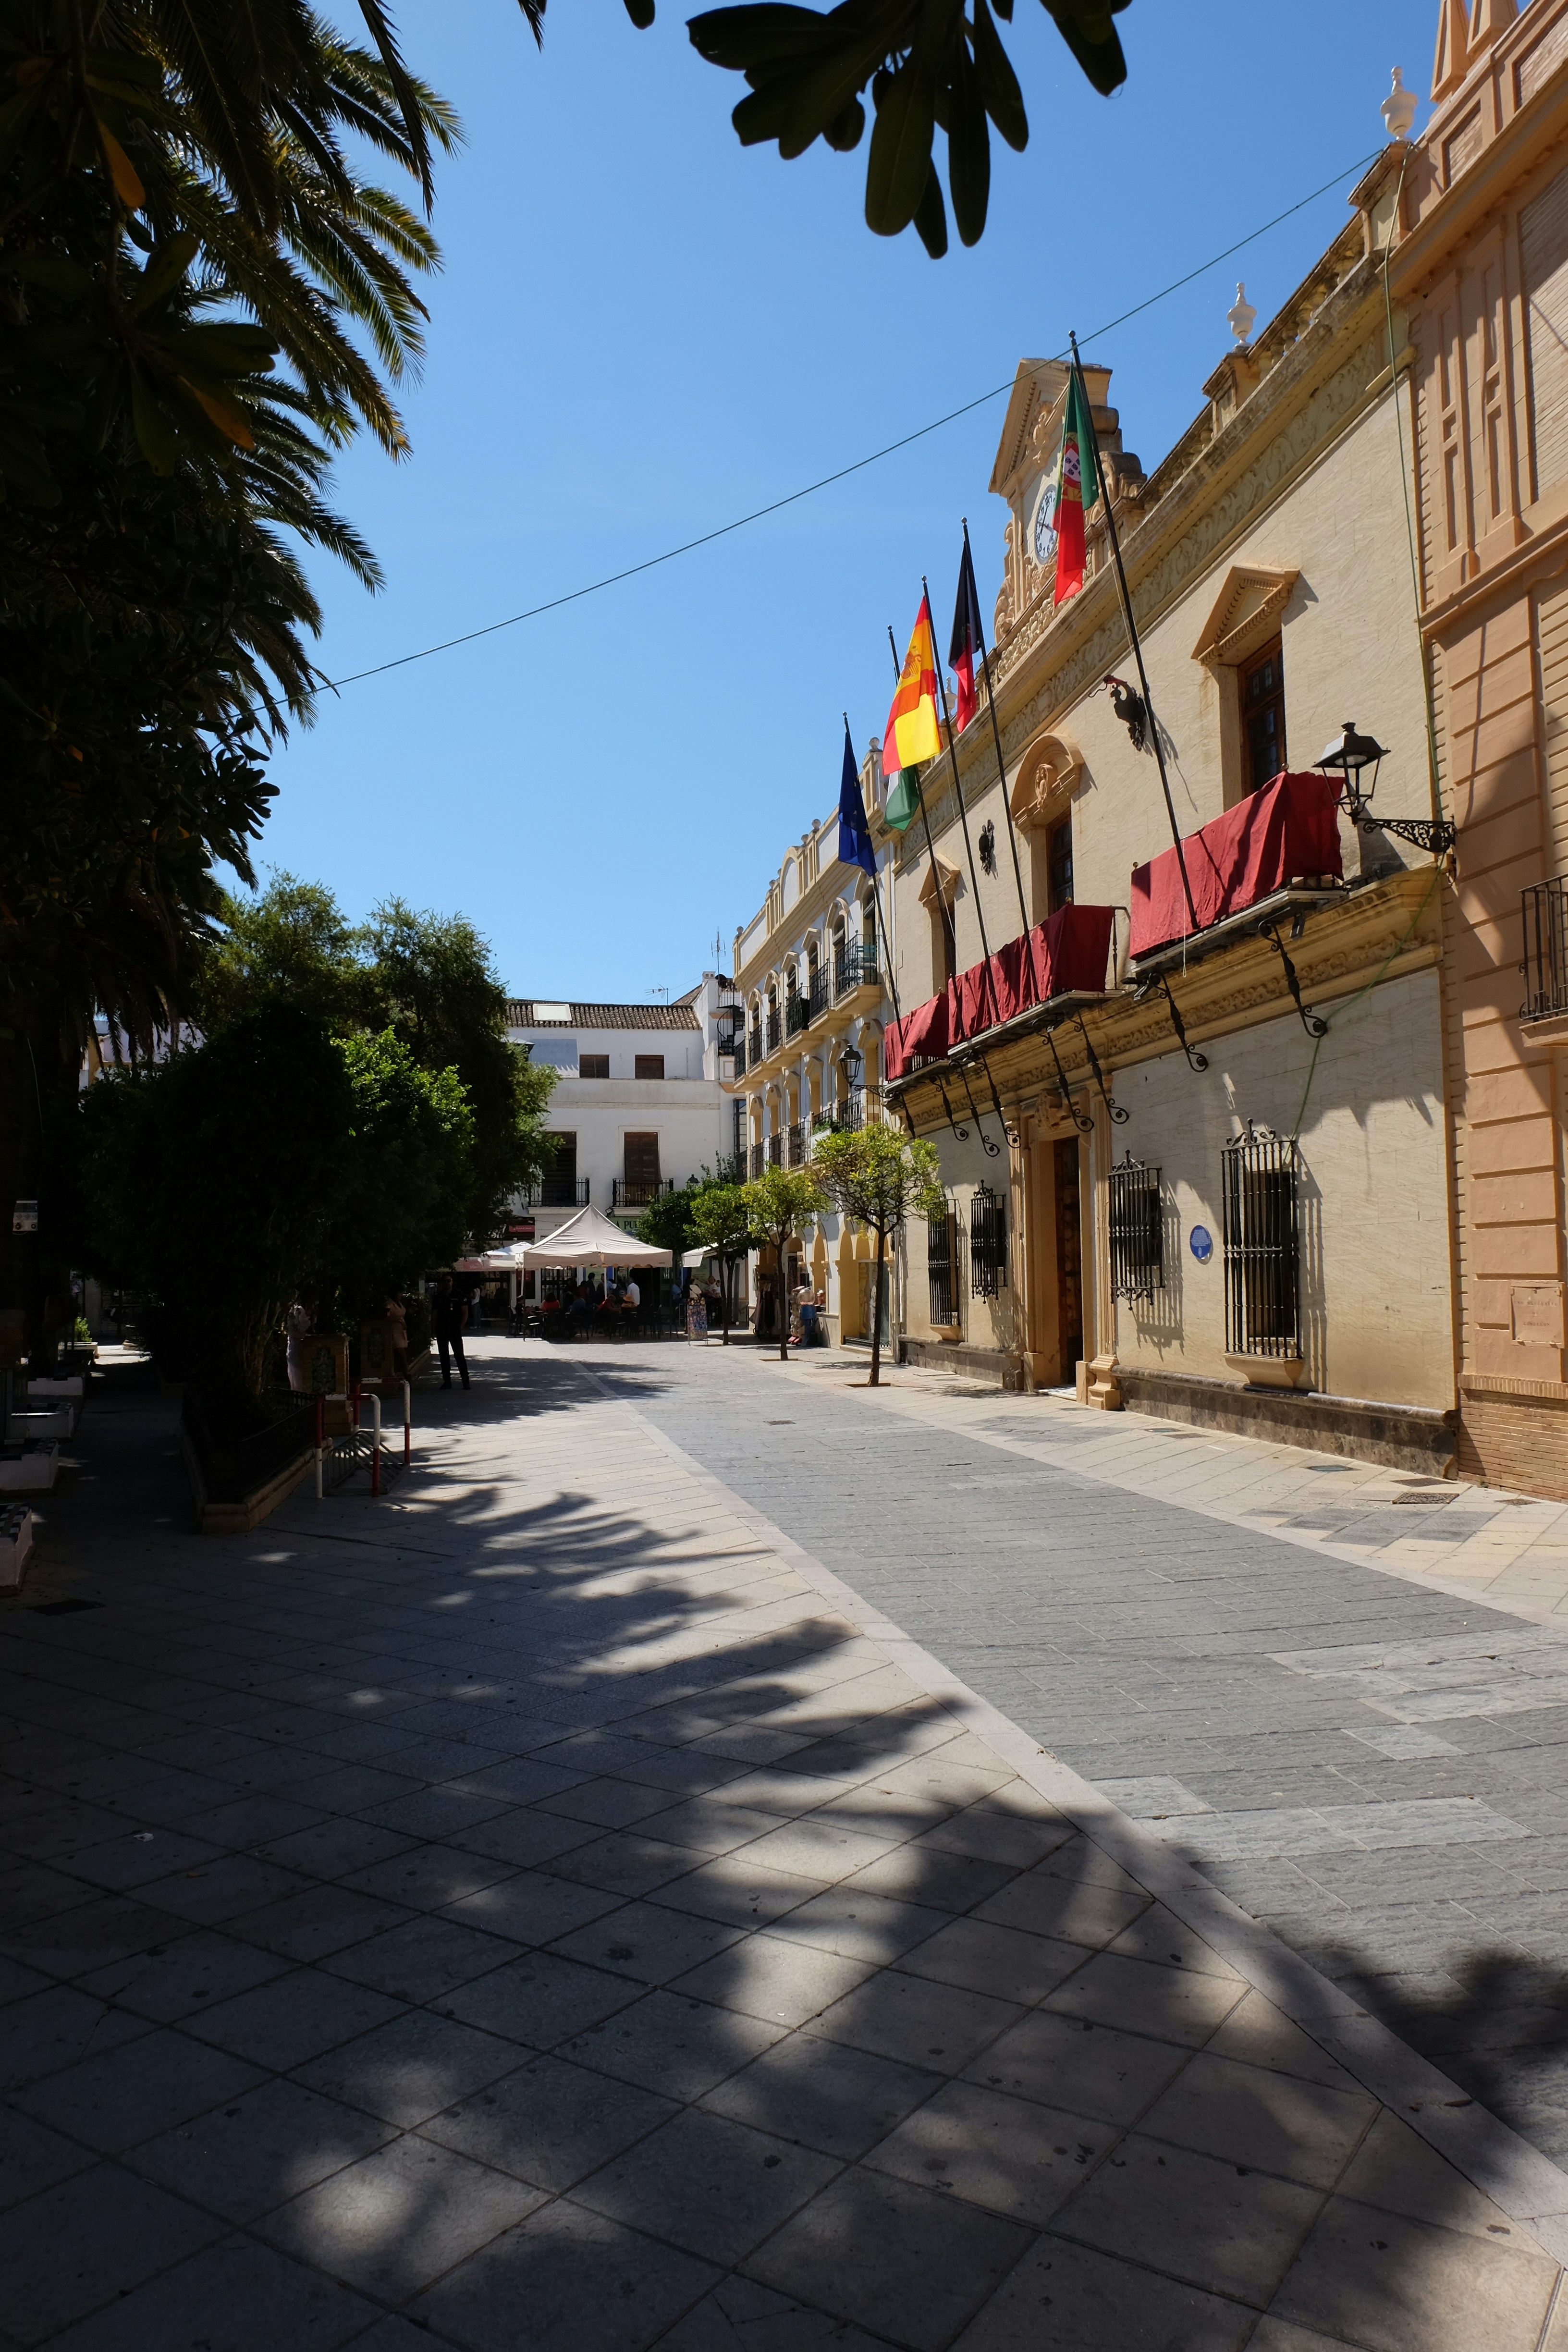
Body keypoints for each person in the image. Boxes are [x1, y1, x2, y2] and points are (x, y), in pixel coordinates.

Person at [432, 1275, 469, 1391]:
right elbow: (434, 1314)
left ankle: (465, 1381)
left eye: (449, 1281)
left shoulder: (460, 1295)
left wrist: (460, 1327)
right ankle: (447, 1381)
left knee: (459, 1356)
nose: (447, 1283)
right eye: (444, 1281)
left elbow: (465, 1313)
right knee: (444, 1357)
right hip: (442, 1330)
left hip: (455, 1330)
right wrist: (433, 1329)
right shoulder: (438, 1297)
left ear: (453, 1282)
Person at [285, 1297, 315, 1393]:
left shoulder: (295, 1311)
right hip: (298, 1349)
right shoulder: (299, 1311)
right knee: (300, 1379)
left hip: (293, 1349)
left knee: (297, 1380)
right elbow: (304, 1329)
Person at [385, 1294, 409, 1384]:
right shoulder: (390, 1304)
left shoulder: (399, 1303)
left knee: (398, 1357)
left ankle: (395, 1377)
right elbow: (387, 1315)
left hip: (401, 1330)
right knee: (401, 1353)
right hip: (394, 1330)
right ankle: (408, 1375)